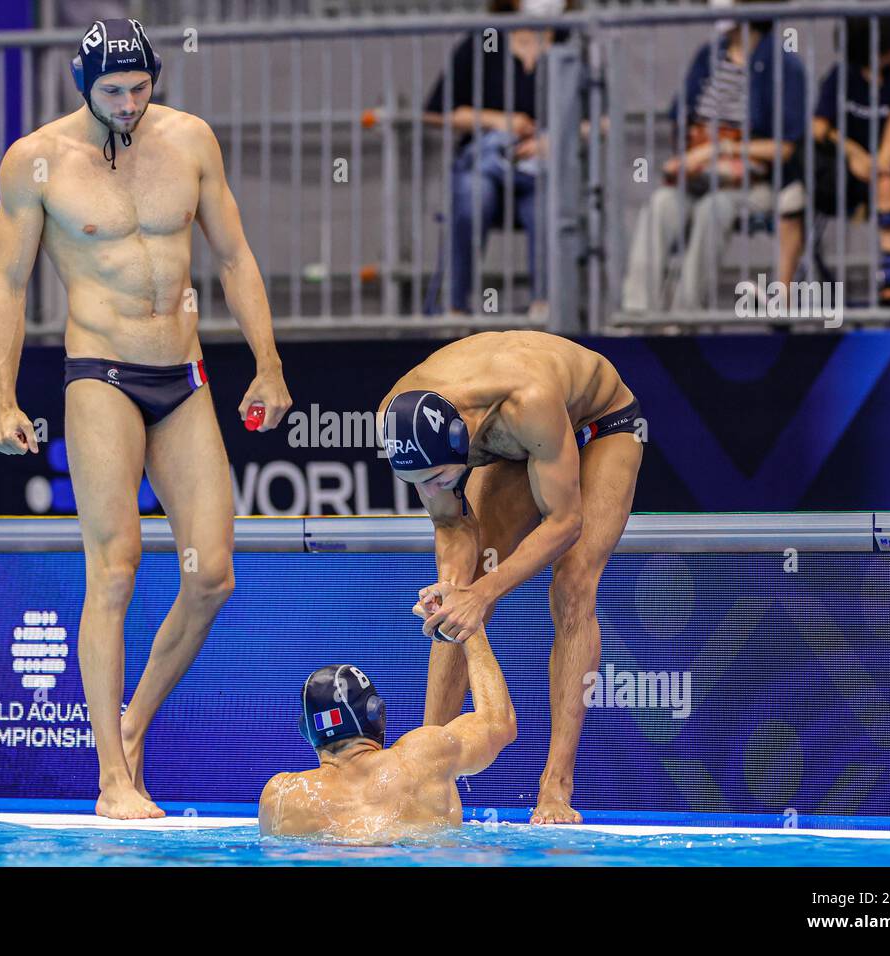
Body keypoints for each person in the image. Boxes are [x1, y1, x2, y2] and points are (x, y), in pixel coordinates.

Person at [0, 18, 292, 819]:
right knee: (115, 568)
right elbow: (9, 286)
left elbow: (233, 256)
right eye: (111, 91)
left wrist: (268, 364)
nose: (127, 103)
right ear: (83, 86)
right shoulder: (37, 161)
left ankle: (131, 724)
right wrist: (5, 398)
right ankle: (114, 781)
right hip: (100, 374)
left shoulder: (190, 141)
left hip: (183, 377)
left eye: (139, 87)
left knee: (212, 576)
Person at [378, 330, 641, 823]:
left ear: (466, 437)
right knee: (459, 593)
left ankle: (556, 787)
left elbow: (565, 523)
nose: (432, 490)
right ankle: (423, 774)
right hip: (522, 446)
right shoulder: (398, 415)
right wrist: (454, 590)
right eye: (421, 484)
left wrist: (481, 593)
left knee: (573, 585)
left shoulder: (528, 401)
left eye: (439, 478)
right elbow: (450, 521)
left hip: (602, 424)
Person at [622, 0, 806, 313]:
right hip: (698, 176)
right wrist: (690, 157)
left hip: (753, 184)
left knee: (713, 209)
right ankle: (638, 314)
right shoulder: (709, 56)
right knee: (661, 205)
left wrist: (721, 149)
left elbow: (784, 147)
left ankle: (684, 317)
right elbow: (682, 117)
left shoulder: (783, 64)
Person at [258, 629, 516, 842]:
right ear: (376, 714)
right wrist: (470, 628)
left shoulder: (281, 796)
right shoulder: (425, 756)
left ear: (307, 732)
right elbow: (498, 722)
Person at [423, 0, 567, 319]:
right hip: (486, 166)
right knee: (474, 194)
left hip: (542, 171)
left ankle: (547, 310)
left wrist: (552, 139)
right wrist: (499, 122)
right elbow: (438, 111)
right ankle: (455, 309)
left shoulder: (576, 40)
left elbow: (601, 117)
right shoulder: (485, 40)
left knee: (547, 205)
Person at [777, 16, 890, 304]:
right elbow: (818, 128)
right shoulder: (842, 76)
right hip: (834, 170)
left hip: (874, 174)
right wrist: (854, 154)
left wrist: (880, 161)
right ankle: (782, 294)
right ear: (878, 48)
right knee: (791, 200)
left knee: (887, 182)